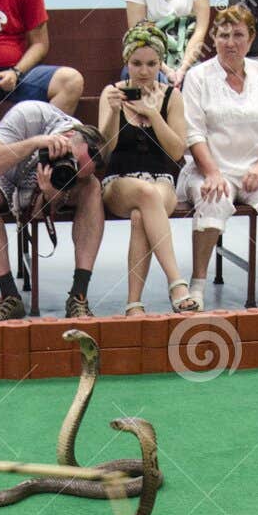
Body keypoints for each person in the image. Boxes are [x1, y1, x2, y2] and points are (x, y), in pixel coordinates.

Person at [181, 6, 258, 310]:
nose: (230, 42)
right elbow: (193, 134)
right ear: (214, 38)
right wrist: (213, 172)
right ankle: (197, 284)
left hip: (257, 167)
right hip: (209, 165)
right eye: (223, 35)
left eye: (238, 35)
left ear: (251, 38)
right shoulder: (197, 77)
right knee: (213, 195)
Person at [0, 103, 107, 320]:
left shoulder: (76, 169)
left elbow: (37, 214)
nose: (72, 168)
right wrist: (36, 143)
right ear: (68, 135)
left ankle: (79, 295)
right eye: (73, 161)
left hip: (41, 187)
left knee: (92, 187)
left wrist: (52, 194)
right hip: (6, 175)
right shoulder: (29, 115)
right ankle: (9, 295)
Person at [100, 22, 198, 314]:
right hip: (119, 181)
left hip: (162, 182)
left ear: (161, 63)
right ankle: (177, 283)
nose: (144, 71)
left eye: (152, 64)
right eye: (137, 63)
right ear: (126, 62)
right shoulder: (112, 93)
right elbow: (105, 152)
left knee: (141, 216)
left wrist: (153, 114)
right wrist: (114, 114)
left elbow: (177, 151)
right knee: (145, 193)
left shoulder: (172, 97)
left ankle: (133, 303)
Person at [126, 0, 213, 87]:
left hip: (186, 56)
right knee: (147, 77)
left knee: (198, 79)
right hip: (148, 54)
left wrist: (183, 69)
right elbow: (139, 35)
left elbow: (199, 32)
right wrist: (166, 71)